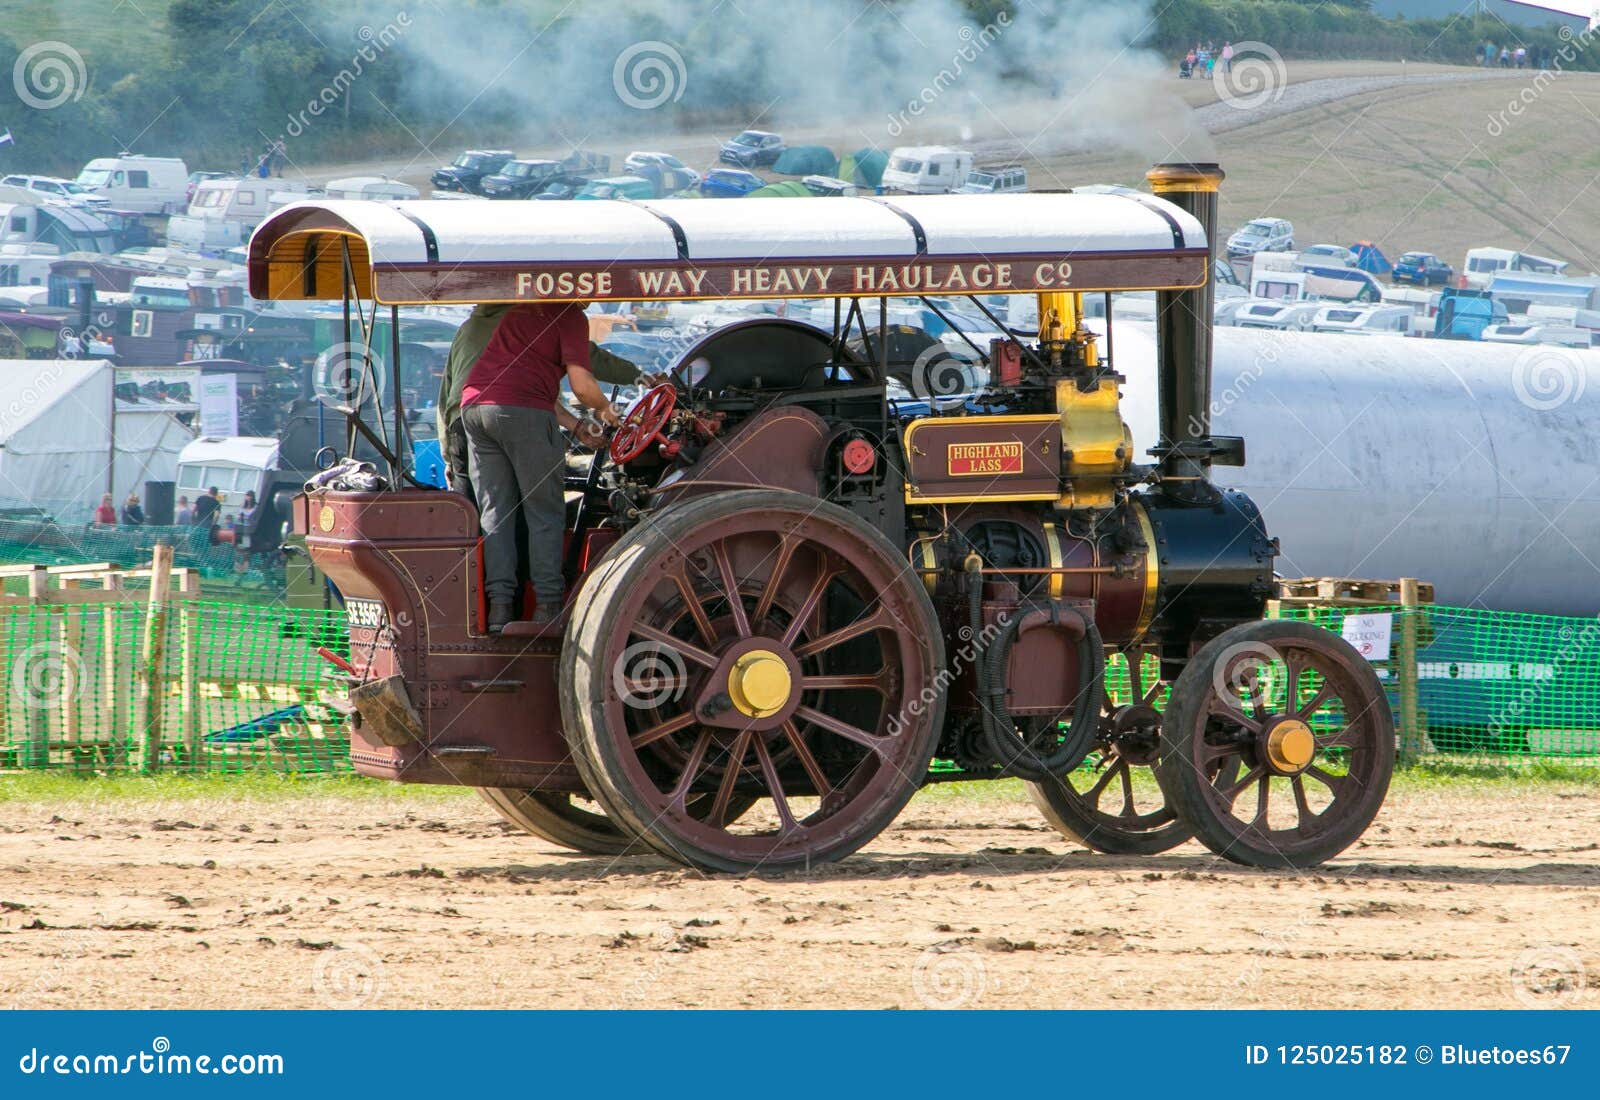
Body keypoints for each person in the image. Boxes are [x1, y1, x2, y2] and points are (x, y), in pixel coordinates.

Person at [460, 301, 620, 632]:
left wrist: (577, 427)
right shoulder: (571, 315)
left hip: (475, 408)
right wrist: (607, 410)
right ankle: (548, 608)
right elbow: (581, 384)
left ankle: (499, 610)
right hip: (520, 410)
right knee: (543, 511)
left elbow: (530, 390)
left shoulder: (524, 309)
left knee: (496, 514)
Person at [436, 304, 648, 505]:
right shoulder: (533, 320)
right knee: (535, 507)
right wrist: (642, 377)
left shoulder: (469, 328)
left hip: (463, 422)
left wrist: (447, 457)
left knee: (478, 510)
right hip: (519, 421)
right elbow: (589, 362)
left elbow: (445, 398)